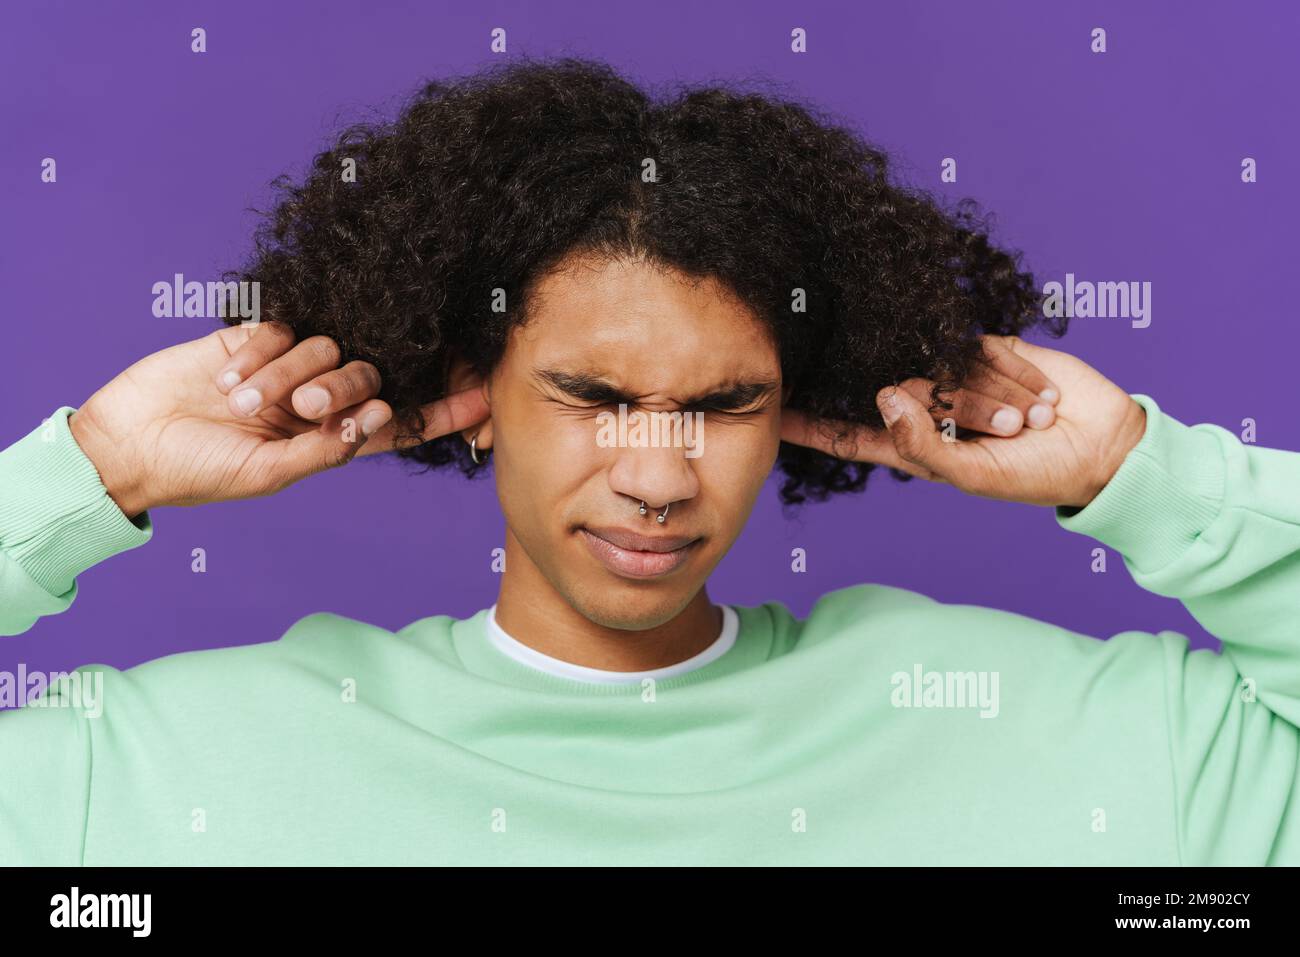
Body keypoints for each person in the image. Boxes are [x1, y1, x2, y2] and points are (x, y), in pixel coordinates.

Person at [2, 57, 1296, 866]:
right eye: (596, 394)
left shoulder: (1075, 740)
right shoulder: (159, 768)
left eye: (725, 403)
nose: (661, 474)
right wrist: (97, 467)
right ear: (476, 391)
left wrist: (1141, 468)